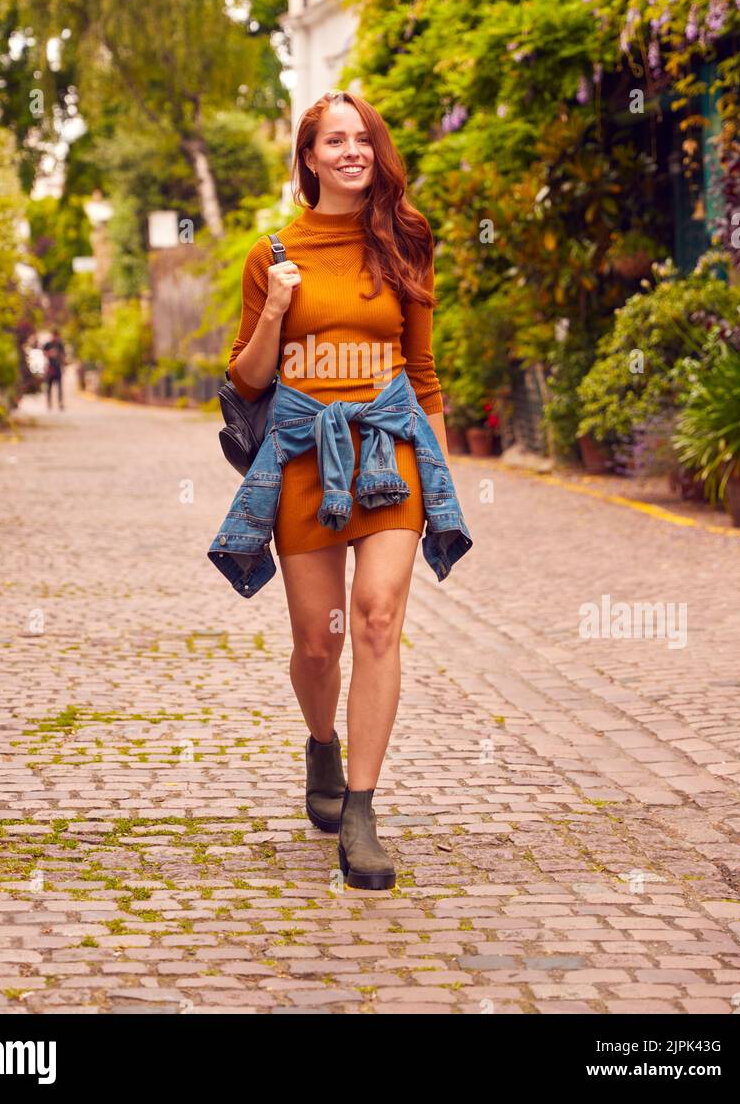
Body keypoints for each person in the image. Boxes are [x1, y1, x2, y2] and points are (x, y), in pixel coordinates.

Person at [222, 90, 470, 889]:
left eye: (363, 139)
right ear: (309, 156)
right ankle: (320, 747)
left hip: (390, 450)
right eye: (335, 141)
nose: (352, 152)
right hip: (302, 457)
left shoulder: (407, 239)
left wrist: (439, 477)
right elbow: (247, 376)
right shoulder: (274, 254)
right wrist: (279, 311)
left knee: (376, 618)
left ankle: (360, 811)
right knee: (316, 642)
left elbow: (424, 372)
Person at [43, 328, 66, 410]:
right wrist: (50, 353)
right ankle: (49, 402)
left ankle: (60, 402)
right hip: (50, 367)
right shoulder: (48, 344)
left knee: (59, 387)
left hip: (58, 367)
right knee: (49, 387)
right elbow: (44, 354)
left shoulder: (60, 344)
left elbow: (63, 355)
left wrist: (63, 365)